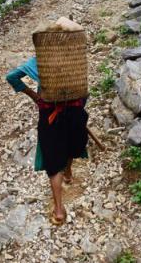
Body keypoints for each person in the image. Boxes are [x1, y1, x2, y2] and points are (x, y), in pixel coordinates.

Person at [6, 56, 89, 225]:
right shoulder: (74, 59)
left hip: (49, 118)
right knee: (72, 145)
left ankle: (59, 210)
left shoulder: (39, 61)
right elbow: (84, 92)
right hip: (75, 115)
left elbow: (12, 77)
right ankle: (68, 171)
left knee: (53, 160)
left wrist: (35, 97)